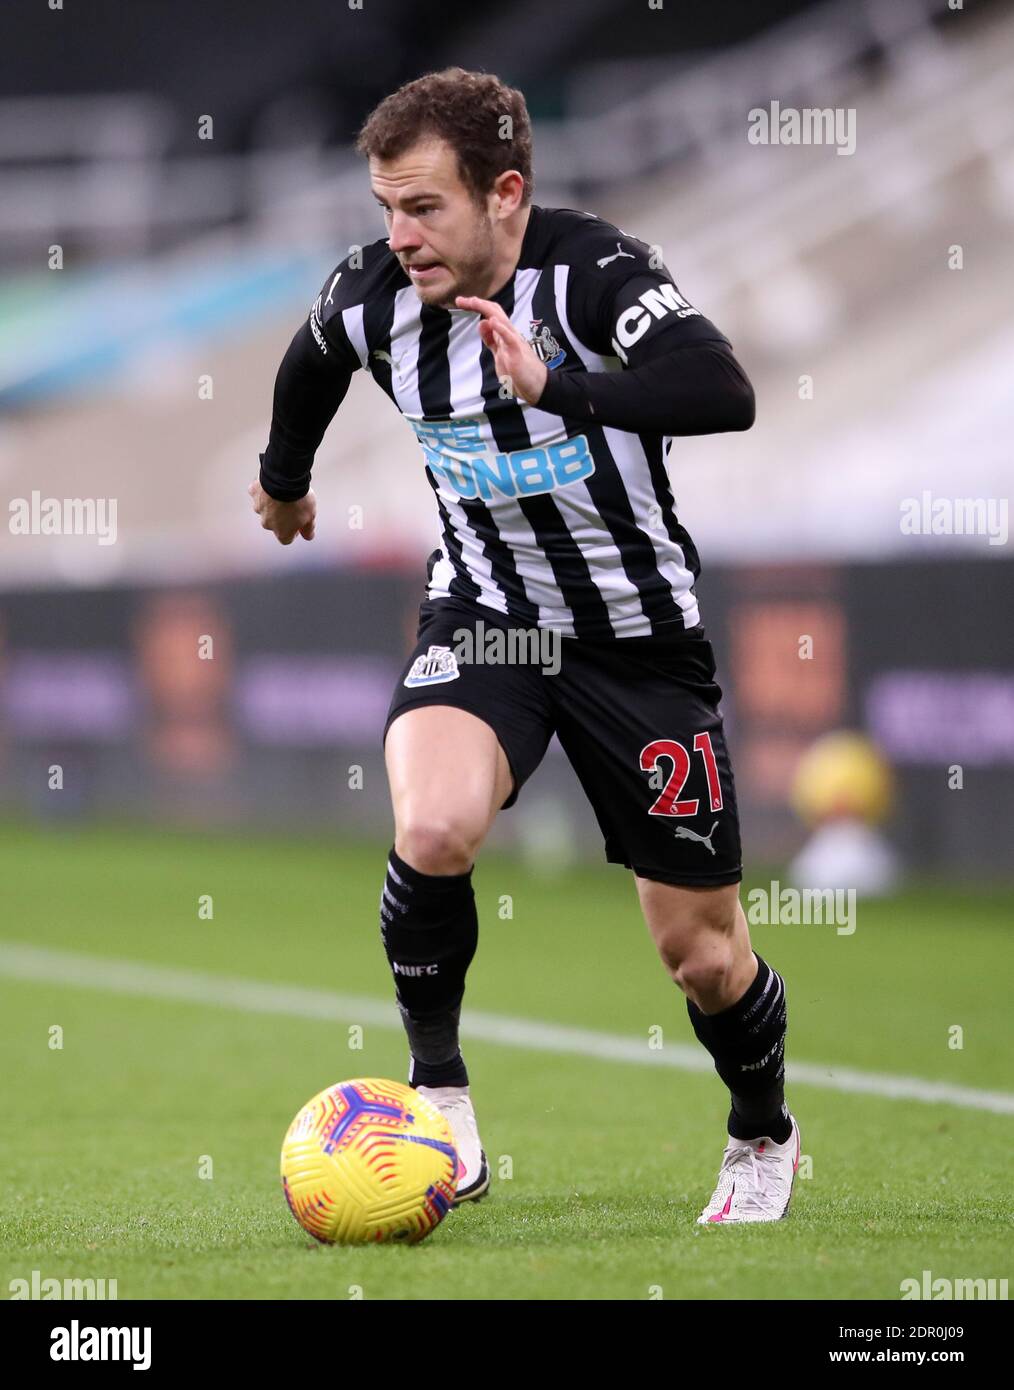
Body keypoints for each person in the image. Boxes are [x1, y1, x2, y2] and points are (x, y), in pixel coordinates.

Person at [251, 67, 799, 1224]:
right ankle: (439, 1096)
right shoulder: (371, 296)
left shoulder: (596, 269)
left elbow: (723, 388)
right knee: (434, 822)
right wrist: (284, 482)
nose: (398, 236)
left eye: (425, 207)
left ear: (506, 194)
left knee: (701, 954)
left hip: (639, 643)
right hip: (487, 618)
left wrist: (562, 385)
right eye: (386, 208)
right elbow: (308, 368)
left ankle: (763, 1131)